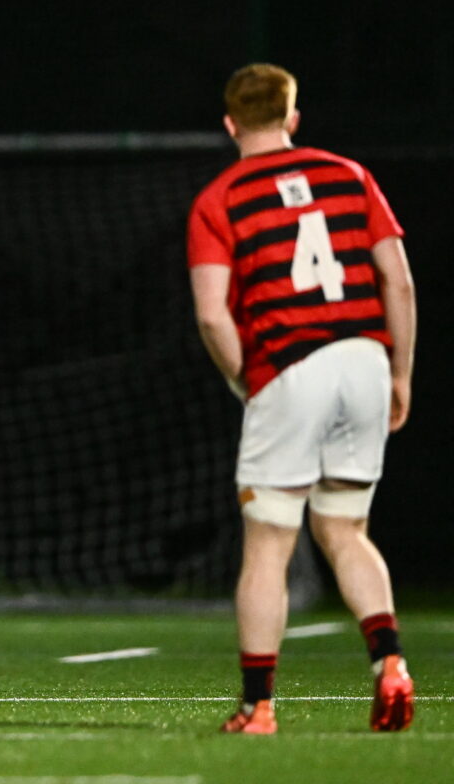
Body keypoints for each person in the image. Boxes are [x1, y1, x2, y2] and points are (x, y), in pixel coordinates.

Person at [187, 64, 416, 734]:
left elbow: (211, 314)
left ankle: (259, 705)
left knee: (268, 548)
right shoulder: (350, 174)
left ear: (231, 123)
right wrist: (400, 373)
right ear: (292, 118)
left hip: (289, 366)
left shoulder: (219, 197)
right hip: (365, 360)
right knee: (345, 529)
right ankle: (391, 663)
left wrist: (247, 380)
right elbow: (396, 282)